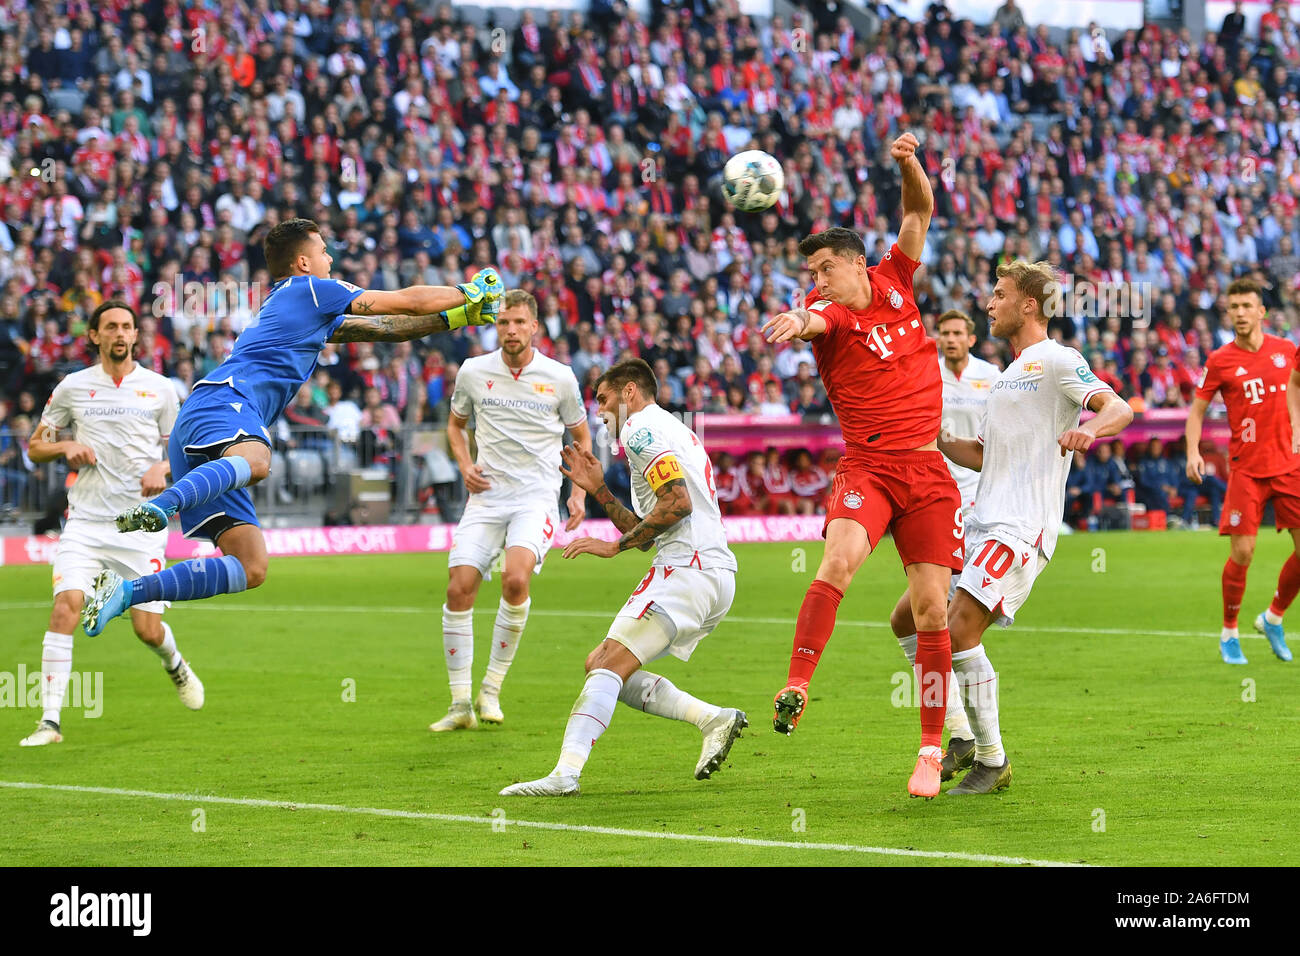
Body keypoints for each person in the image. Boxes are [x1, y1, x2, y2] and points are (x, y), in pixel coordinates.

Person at [80, 218, 502, 635]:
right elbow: (404, 301)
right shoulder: (313, 289)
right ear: (303, 262)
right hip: (227, 399)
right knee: (259, 459)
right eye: (323, 251)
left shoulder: (303, 304)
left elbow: (386, 329)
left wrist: (461, 315)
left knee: (251, 567)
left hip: (204, 418)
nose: (331, 259)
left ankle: (125, 592)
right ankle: (162, 505)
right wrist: (467, 290)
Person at [761, 132, 964, 798]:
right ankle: (796, 682)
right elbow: (812, 321)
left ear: (854, 264)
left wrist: (909, 163)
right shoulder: (829, 316)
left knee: (933, 612)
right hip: (869, 468)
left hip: (927, 473)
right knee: (837, 563)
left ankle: (931, 750)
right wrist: (798, 318)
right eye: (810, 275)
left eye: (823, 270)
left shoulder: (895, 278)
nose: (815, 283)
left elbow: (919, 214)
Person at [499, 359, 744, 795]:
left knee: (608, 665)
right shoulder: (672, 429)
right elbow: (651, 529)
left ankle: (565, 774)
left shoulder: (641, 431)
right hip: (709, 571)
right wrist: (599, 492)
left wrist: (614, 546)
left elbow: (678, 504)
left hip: (688, 567)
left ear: (629, 392)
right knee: (602, 664)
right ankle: (713, 718)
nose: (601, 413)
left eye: (604, 400)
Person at [937, 259, 1133, 792]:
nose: (989, 303)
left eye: (998, 294)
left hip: (1021, 528)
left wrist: (1092, 430)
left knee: (957, 629)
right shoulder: (1006, 376)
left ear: (1028, 304)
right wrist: (930, 437)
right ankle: (954, 732)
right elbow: (981, 454)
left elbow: (1119, 406)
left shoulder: (1055, 359)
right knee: (909, 618)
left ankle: (990, 760)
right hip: (982, 523)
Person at [21, 301, 199, 747]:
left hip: (140, 526)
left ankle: (174, 663)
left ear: (137, 335)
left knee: (146, 629)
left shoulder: (160, 389)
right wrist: (64, 448)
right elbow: (35, 447)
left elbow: (184, 453)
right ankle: (49, 722)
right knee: (67, 605)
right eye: (110, 327)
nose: (120, 333)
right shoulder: (72, 388)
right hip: (85, 523)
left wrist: (165, 469)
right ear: (94, 336)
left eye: (127, 327)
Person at [431, 290, 592, 731]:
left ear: (535, 326)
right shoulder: (473, 371)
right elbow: (455, 425)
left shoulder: (559, 377)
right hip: (487, 495)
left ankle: (491, 690)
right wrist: (465, 466)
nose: (511, 330)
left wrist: (578, 494)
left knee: (515, 579)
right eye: (503, 322)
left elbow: (581, 437)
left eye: (519, 322)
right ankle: (460, 703)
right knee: (458, 587)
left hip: (537, 495)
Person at [885, 307, 1000, 782]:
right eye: (945, 333)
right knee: (908, 619)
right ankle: (959, 732)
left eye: (958, 333)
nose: (951, 340)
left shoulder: (992, 378)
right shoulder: (925, 373)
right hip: (933, 500)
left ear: (971, 337)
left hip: (976, 507)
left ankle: (968, 740)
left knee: (939, 624)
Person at [1187, 277, 1299, 664]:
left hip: (1290, 465)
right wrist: (1192, 451)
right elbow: (1197, 410)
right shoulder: (1220, 360)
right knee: (1244, 551)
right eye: (1233, 307)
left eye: (1246, 306)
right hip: (1247, 470)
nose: (1239, 313)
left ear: (1262, 311)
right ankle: (1229, 632)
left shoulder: (1287, 351)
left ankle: (1273, 617)